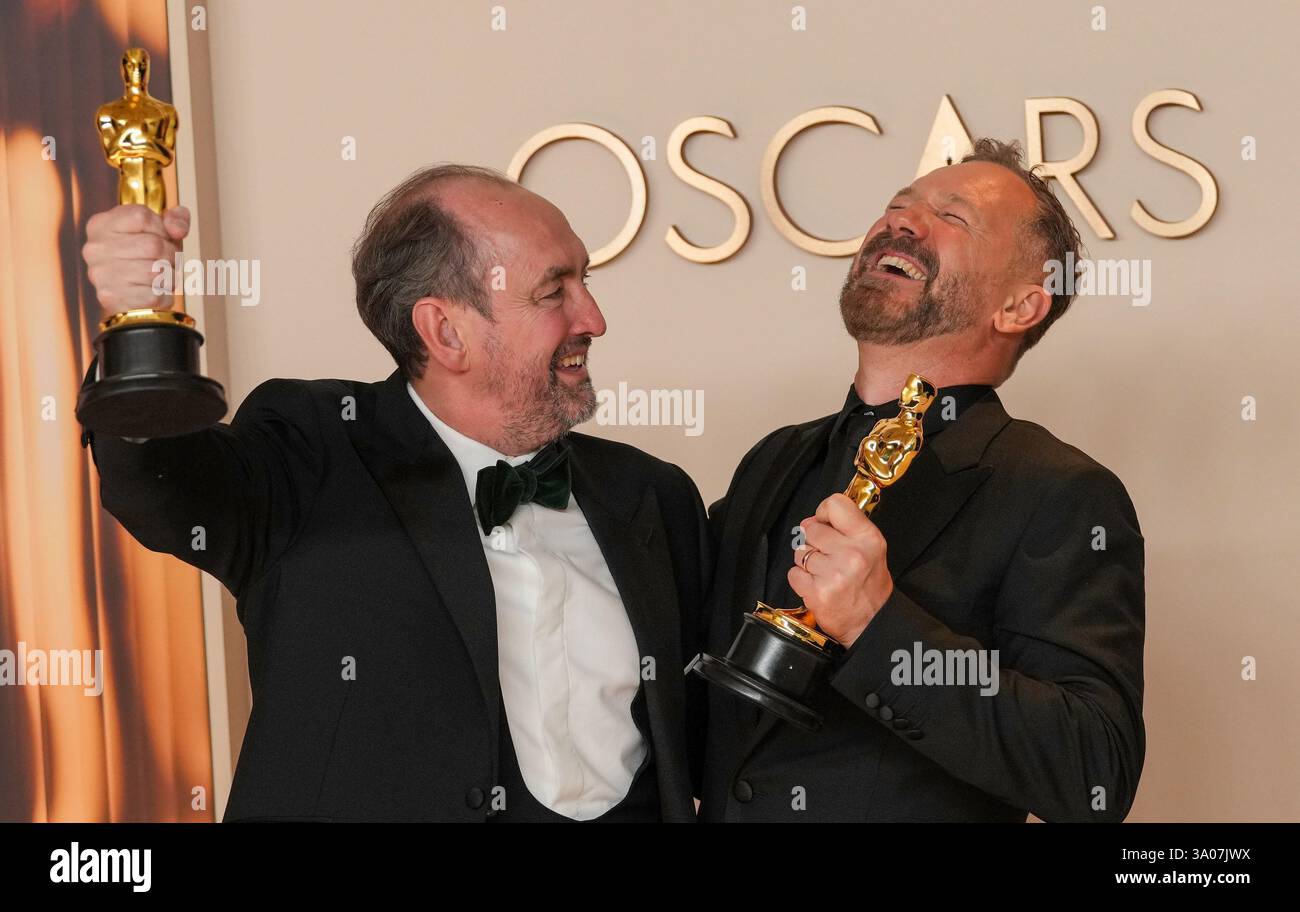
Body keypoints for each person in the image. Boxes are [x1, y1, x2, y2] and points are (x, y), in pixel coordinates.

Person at [80, 165, 709, 822]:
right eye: (555, 292)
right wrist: (134, 332)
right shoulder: (307, 450)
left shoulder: (654, 497)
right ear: (445, 332)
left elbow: (728, 735)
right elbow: (159, 485)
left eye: (587, 280)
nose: (595, 319)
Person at [700, 139, 1145, 822]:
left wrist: (879, 625)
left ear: (1021, 306)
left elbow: (1094, 769)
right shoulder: (774, 458)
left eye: (952, 217)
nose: (901, 222)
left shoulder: (1060, 492)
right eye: (896, 207)